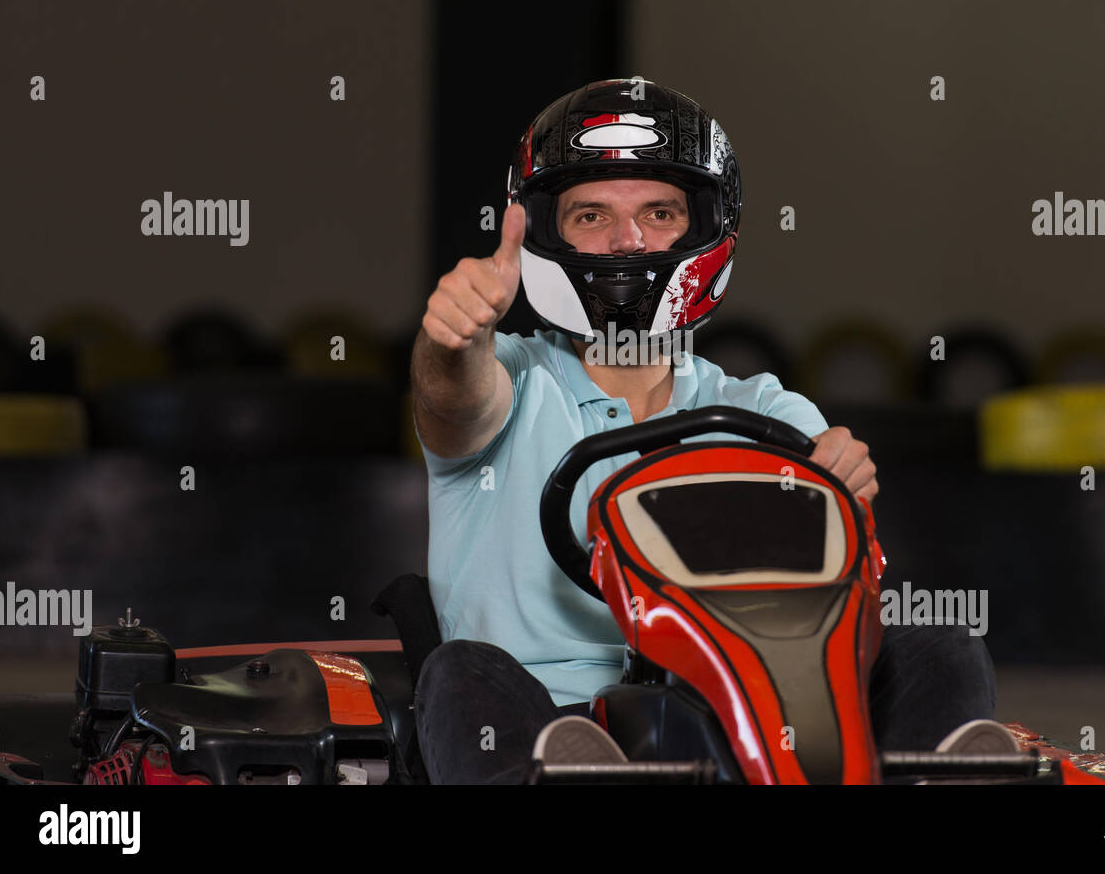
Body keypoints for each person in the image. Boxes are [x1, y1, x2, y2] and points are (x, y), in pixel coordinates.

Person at [410, 79, 1004, 784]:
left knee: (940, 644)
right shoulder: (508, 380)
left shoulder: (762, 414)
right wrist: (453, 337)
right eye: (591, 214)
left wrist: (836, 489)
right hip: (546, 717)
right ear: (542, 232)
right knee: (459, 670)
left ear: (706, 229)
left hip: (737, 716)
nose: (627, 239)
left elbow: (831, 593)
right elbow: (454, 398)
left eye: (658, 211)